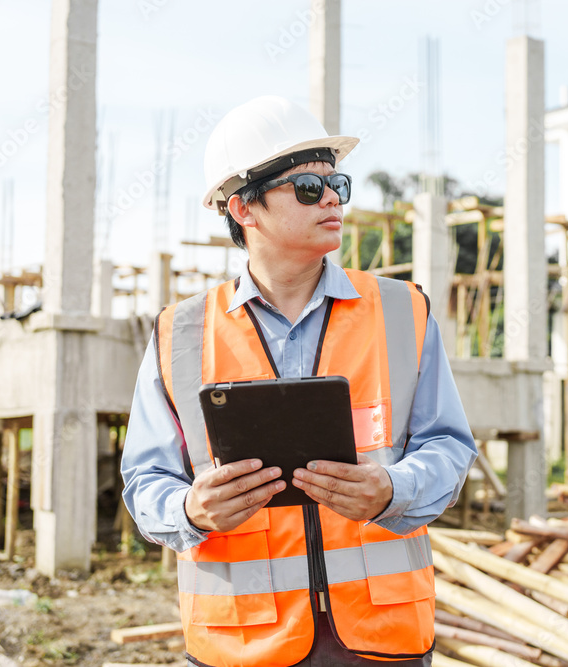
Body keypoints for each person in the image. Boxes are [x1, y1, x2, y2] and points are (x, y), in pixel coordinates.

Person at [121, 95, 477, 667]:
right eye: (308, 188)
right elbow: (144, 481)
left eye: (337, 182)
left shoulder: (401, 311)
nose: (332, 196)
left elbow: (450, 447)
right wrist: (189, 510)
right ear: (244, 209)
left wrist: (394, 489)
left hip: (380, 640)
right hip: (241, 645)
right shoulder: (180, 334)